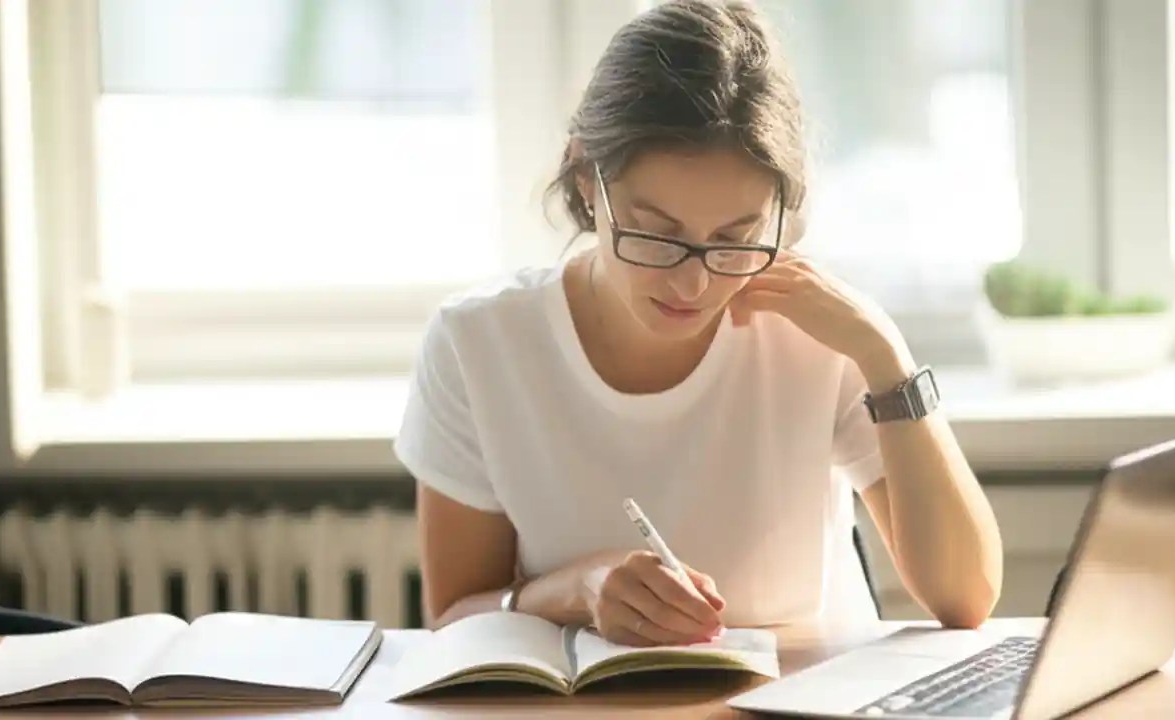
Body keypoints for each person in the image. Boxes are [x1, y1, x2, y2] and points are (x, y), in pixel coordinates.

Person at [394, 0, 1002, 647]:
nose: (694, 283)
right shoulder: (480, 345)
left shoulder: (820, 336)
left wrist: (886, 357)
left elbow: (965, 599)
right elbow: (456, 618)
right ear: (585, 177)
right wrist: (580, 590)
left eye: (735, 239)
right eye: (656, 235)